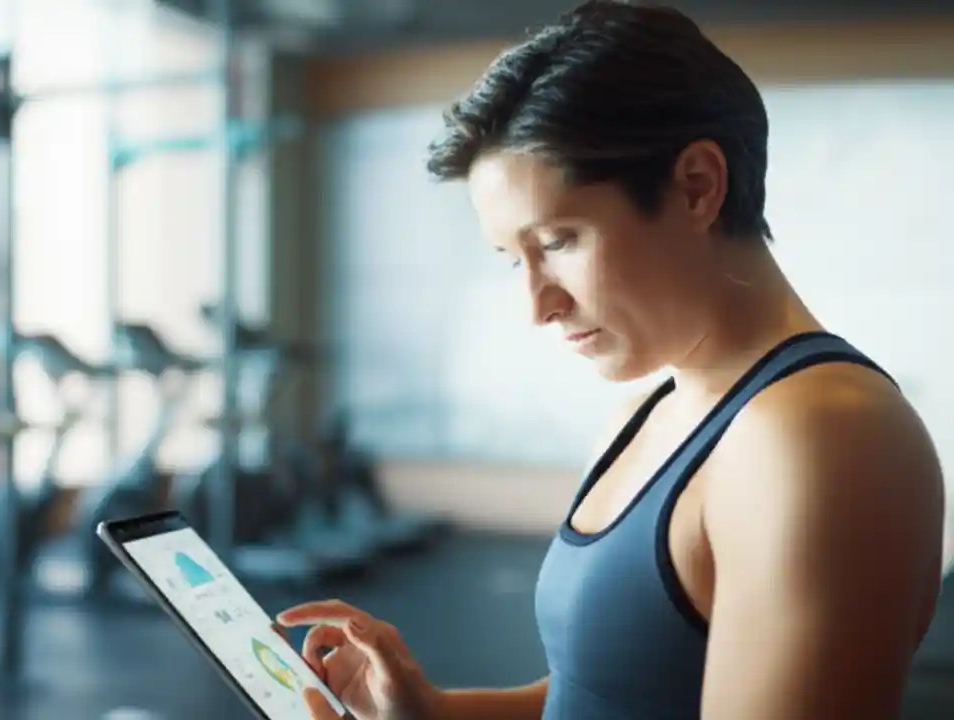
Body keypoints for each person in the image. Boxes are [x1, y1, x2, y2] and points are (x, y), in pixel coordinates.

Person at [278, 2, 947, 718]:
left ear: (697, 186)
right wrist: (432, 713)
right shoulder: (651, 412)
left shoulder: (819, 436)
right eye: (516, 261)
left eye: (560, 241)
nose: (539, 306)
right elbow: (603, 696)